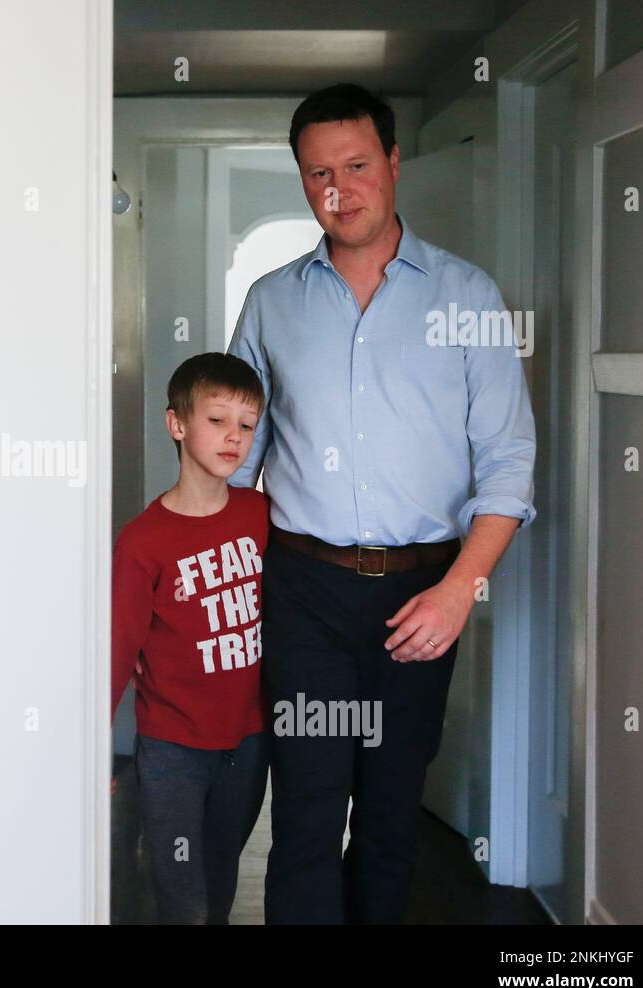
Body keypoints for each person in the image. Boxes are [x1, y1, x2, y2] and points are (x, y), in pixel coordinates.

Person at [227, 83, 537, 924]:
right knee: (305, 810)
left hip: (422, 592)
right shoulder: (270, 303)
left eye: (357, 166)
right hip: (304, 593)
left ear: (394, 164)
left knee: (392, 813)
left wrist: (457, 592)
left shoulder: (468, 299)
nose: (339, 189)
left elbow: (509, 463)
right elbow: (236, 460)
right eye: (318, 173)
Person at [112, 351, 271, 924]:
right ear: (177, 424)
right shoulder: (143, 541)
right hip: (172, 747)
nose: (234, 436)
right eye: (217, 420)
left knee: (221, 877)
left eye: (247, 424)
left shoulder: (261, 515)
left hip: (248, 742)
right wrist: (88, 754)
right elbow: (117, 648)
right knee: (181, 892)